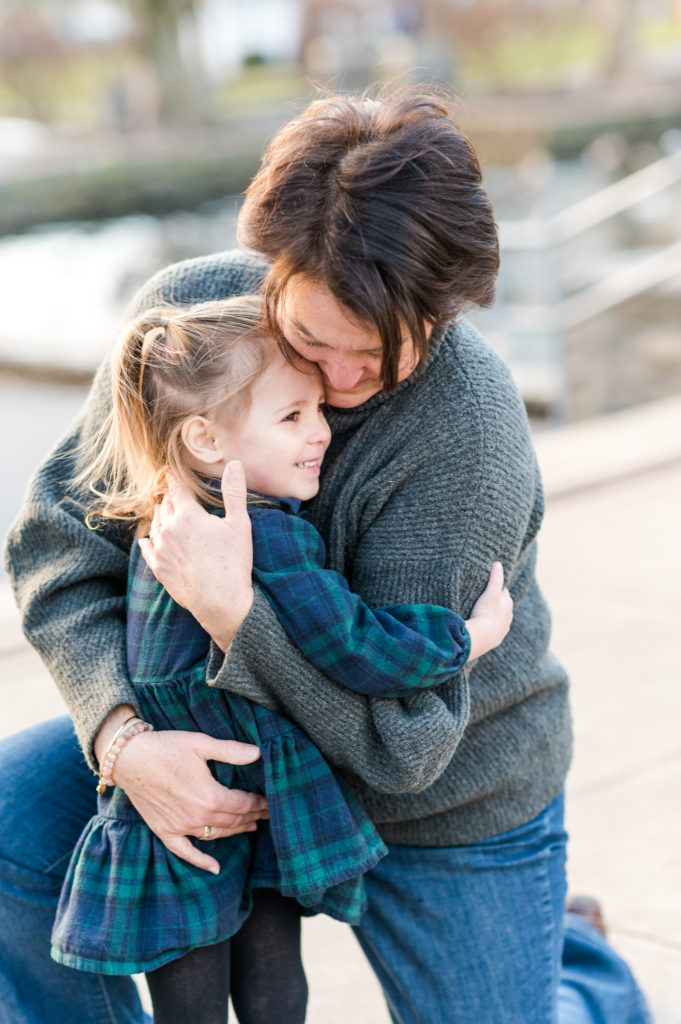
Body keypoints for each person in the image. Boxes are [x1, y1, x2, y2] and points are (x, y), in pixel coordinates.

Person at [1, 86, 651, 1024]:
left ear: (444, 315)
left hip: (439, 801)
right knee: (14, 834)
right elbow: (57, 546)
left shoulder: (467, 433)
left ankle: (576, 967)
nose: (339, 386)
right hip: (218, 748)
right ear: (271, 266)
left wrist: (233, 617)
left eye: (379, 357)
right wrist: (123, 742)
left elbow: (406, 745)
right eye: (311, 340)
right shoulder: (186, 330)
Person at [50, 294, 511, 1024]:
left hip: (206, 781)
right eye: (293, 416)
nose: (322, 433)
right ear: (204, 437)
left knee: (189, 998)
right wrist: (469, 638)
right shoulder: (268, 535)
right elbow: (357, 646)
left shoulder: (166, 507)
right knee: (271, 984)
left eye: (318, 411)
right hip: (237, 781)